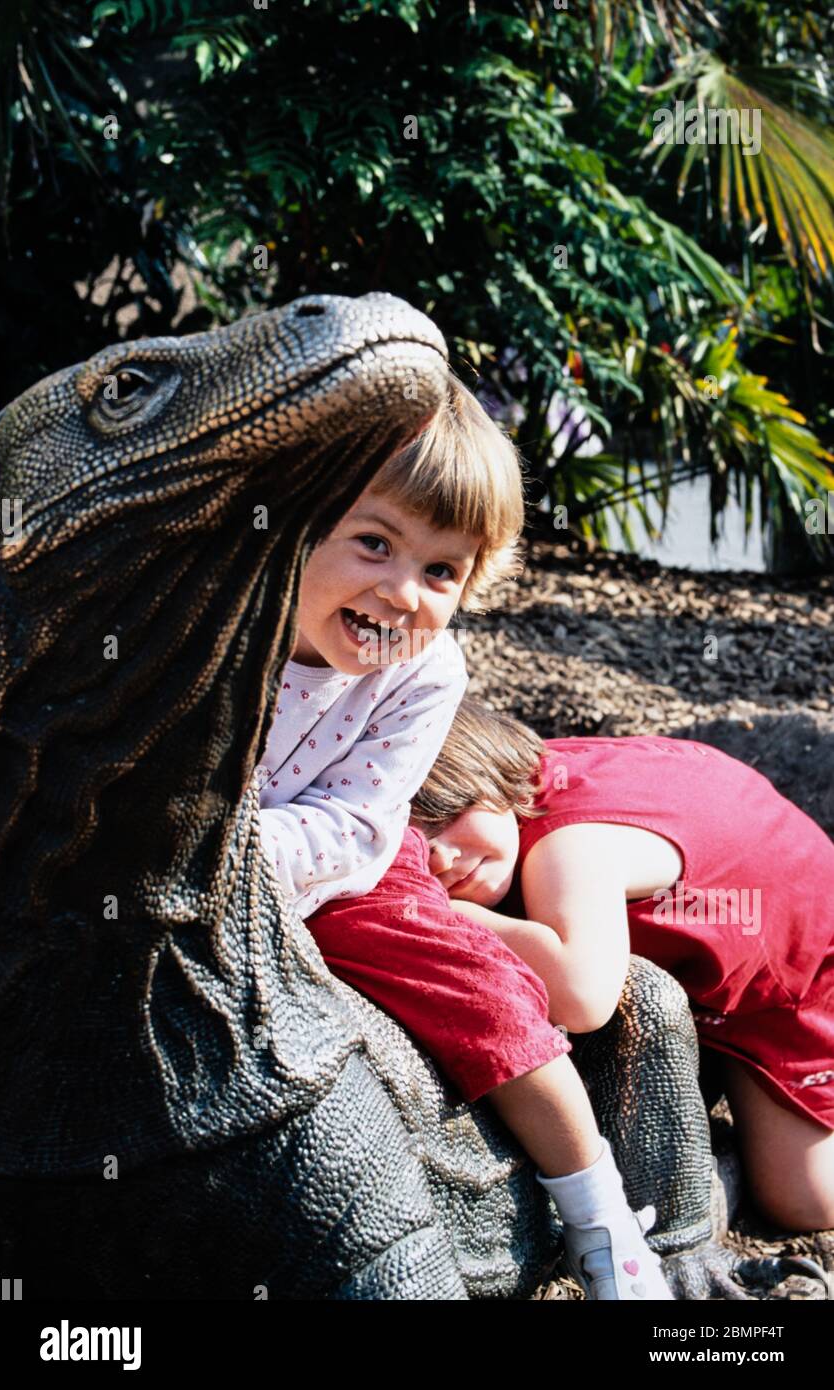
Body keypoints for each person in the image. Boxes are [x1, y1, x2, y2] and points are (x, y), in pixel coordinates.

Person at [272, 373, 674, 1299]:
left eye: (443, 571)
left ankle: (602, 1218)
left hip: (345, 866)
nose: (404, 592)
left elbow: (362, 825)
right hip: (177, 856)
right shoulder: (220, 625)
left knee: (484, 991)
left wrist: (233, 853)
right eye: (375, 543)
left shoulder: (427, 669)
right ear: (300, 527)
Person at [410, 694, 834, 1237]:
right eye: (415, 846)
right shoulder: (521, 800)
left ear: (490, 769)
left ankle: (727, 1103)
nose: (441, 857)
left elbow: (583, 999)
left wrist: (447, 911)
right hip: (719, 915)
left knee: (803, 1201)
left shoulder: (570, 846)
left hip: (790, 974)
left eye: (447, 815)